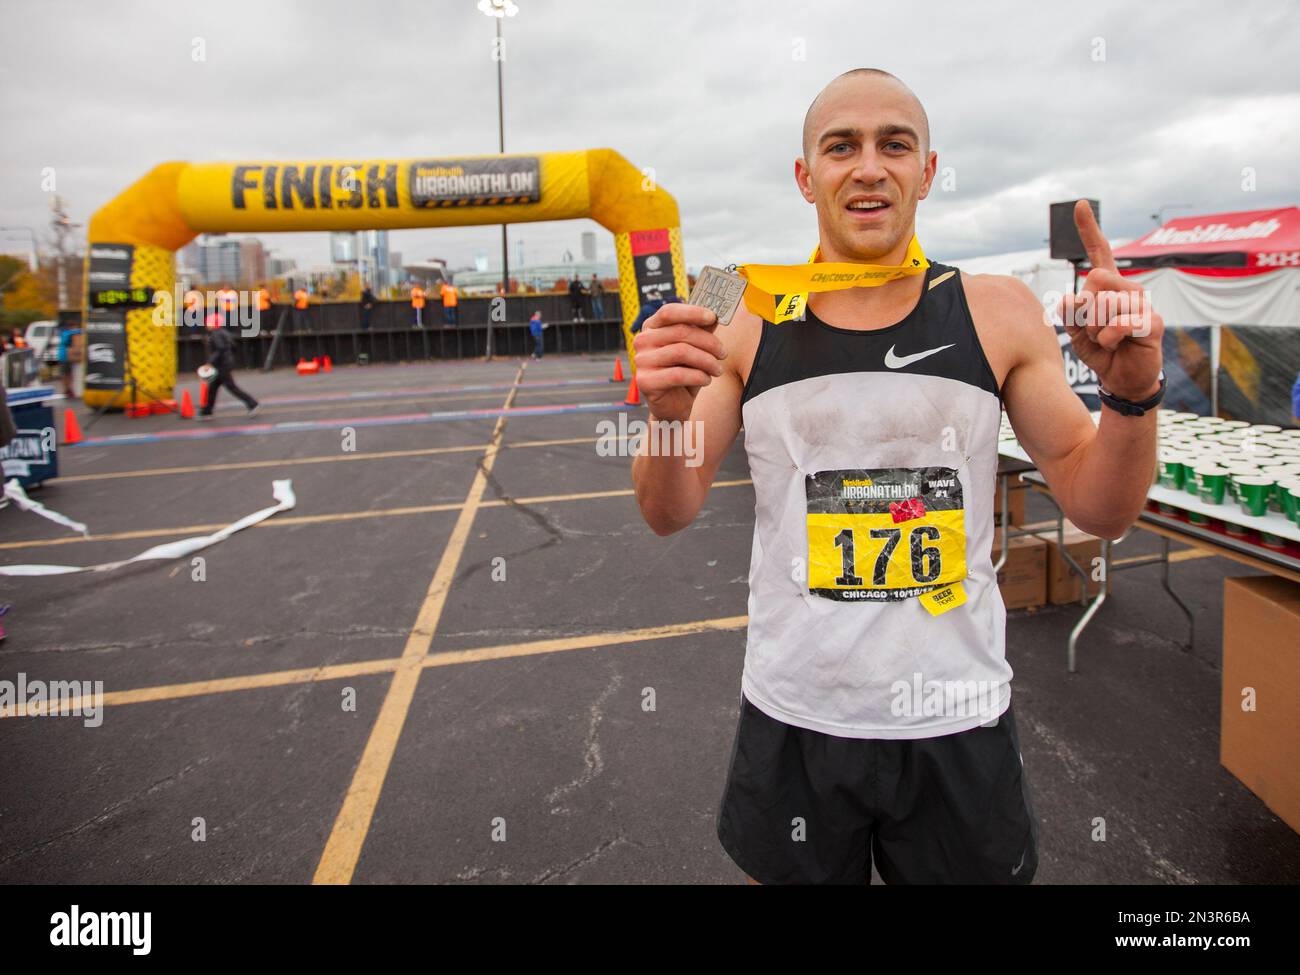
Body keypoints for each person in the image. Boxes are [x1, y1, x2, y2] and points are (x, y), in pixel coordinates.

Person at [631, 68, 1166, 885]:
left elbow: (1101, 507)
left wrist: (1132, 398)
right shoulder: (728, 299)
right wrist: (664, 417)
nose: (870, 166)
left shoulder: (998, 307)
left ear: (929, 168)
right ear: (805, 175)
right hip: (796, 715)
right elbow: (668, 511)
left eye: (896, 144)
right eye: (841, 146)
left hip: (958, 715)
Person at [197, 312, 259, 420]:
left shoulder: (215, 334)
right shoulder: (224, 332)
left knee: (231, 387)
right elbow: (233, 347)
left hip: (221, 366)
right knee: (212, 388)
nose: (206, 325)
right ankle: (207, 411)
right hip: (225, 364)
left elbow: (219, 349)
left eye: (208, 323)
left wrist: (210, 363)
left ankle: (252, 403)